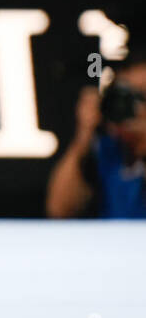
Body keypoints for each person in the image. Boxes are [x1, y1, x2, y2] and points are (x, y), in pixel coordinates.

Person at [46, 50, 146, 219]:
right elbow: (58, 209)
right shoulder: (105, 148)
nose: (131, 107)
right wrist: (83, 138)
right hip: (110, 243)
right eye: (125, 96)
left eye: (141, 97)